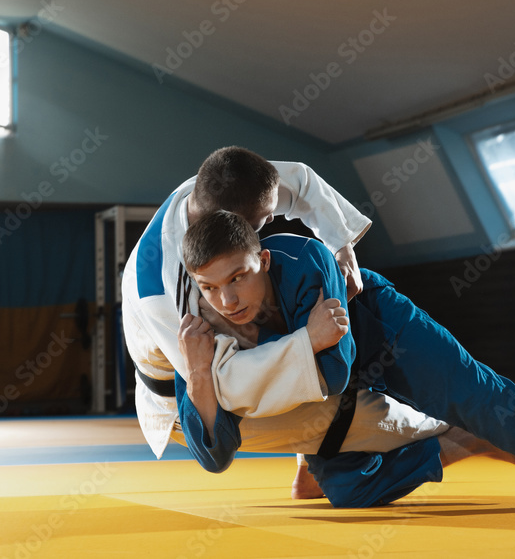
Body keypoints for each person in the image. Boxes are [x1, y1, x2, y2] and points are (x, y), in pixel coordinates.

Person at [175, 210, 515, 511]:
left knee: (483, 400)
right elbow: (213, 458)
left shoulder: (306, 259)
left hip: (380, 329)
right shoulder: (193, 327)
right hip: (318, 368)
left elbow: (336, 373)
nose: (227, 299)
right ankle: (458, 440)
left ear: (266, 261)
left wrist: (287, 353)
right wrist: (199, 376)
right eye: (210, 286)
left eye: (239, 277)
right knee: (350, 494)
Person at [123, 146, 458, 496]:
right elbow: (223, 382)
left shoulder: (211, 187)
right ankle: (452, 433)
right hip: (191, 391)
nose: (270, 222)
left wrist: (342, 248)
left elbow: (300, 181)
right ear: (224, 220)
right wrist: (309, 340)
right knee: (360, 417)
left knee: (277, 304)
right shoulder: (160, 291)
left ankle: (308, 466)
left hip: (231, 353)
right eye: (259, 222)